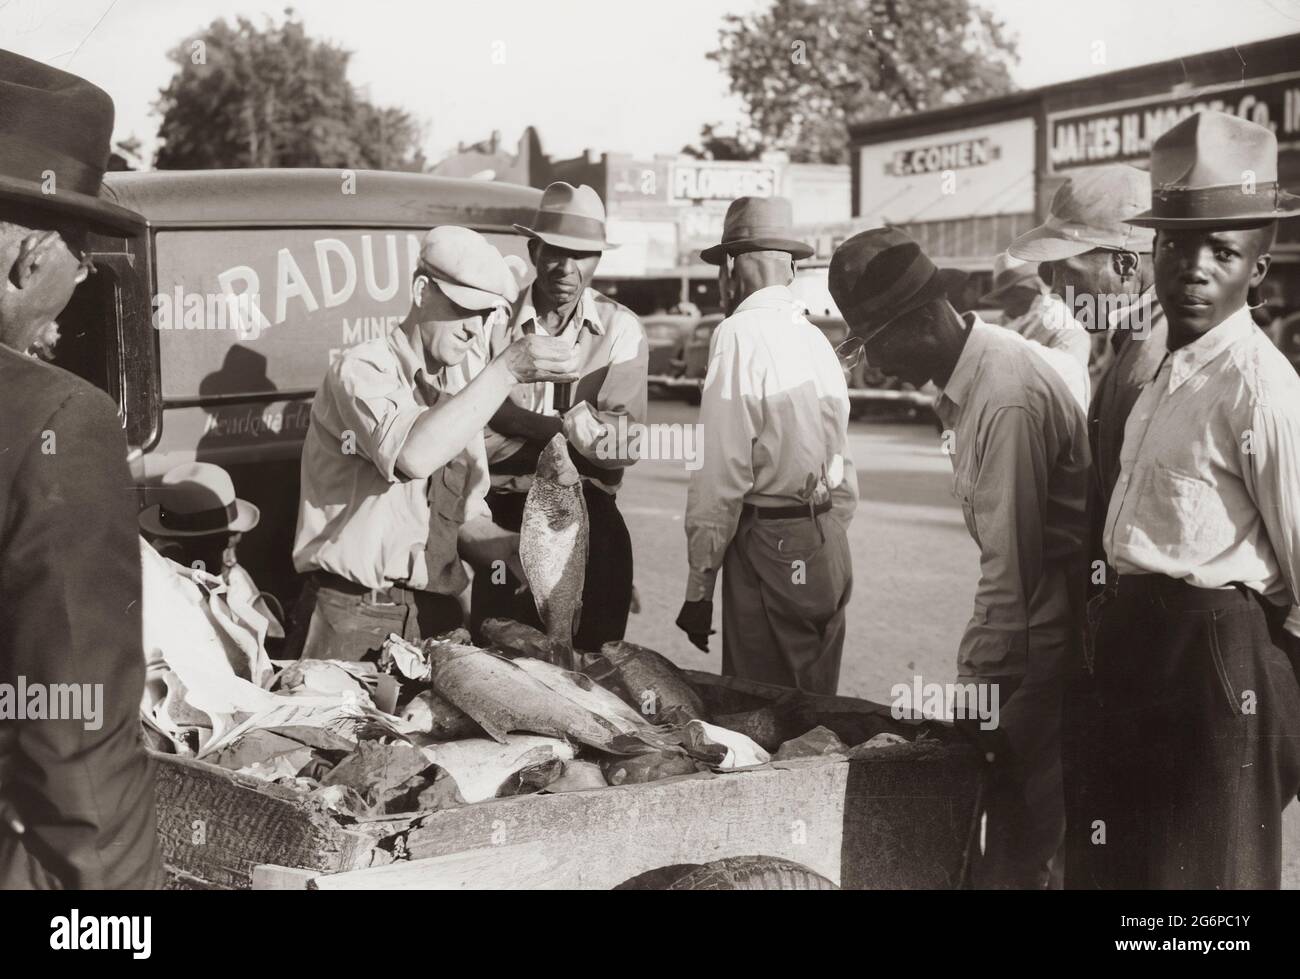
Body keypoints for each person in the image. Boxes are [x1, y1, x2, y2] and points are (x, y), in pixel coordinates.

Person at [1071, 111, 1300, 889]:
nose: (1194, 268)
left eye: (1223, 252)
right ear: (1154, 252)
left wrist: (1266, 700)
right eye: (1176, 244)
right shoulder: (1164, 370)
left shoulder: (1260, 387)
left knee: (1207, 892)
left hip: (1216, 660)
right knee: (1131, 878)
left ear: (1258, 269)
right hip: (1139, 651)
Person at [830, 227, 1089, 888]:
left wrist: (980, 690)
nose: (875, 366)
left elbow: (1013, 571)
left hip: (1049, 650)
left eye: (876, 343)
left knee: (1022, 853)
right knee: (1011, 838)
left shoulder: (1004, 394)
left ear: (919, 320)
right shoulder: (976, 381)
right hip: (1034, 638)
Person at [0, 51, 161, 889]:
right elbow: (80, 753)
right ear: (32, 255)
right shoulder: (55, 419)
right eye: (82, 254)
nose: (85, 275)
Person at [287, 225, 580, 661]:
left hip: (435, 619)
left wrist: (538, 555)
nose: (475, 331)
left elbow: (464, 522)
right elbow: (412, 455)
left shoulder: (457, 399)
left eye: (486, 317)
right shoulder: (363, 368)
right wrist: (505, 371)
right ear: (422, 290)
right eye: (466, 310)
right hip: (352, 615)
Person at [679, 196, 857, 694]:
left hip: (770, 546)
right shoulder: (817, 339)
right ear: (794, 266)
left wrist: (699, 589)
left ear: (730, 265)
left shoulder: (737, 334)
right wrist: (820, 531)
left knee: (760, 713)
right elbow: (845, 464)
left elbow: (720, 477)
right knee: (818, 708)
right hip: (826, 543)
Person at [468, 182, 648, 650]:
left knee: (594, 670)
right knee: (501, 667)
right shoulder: (491, 319)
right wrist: (574, 431)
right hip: (501, 523)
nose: (567, 268)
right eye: (556, 252)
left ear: (598, 260)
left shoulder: (621, 328)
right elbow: (470, 437)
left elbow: (620, 450)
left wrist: (511, 420)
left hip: (592, 521)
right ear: (533, 250)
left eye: (582, 255)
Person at [140, 462, 284, 641]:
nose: (232, 559)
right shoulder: (157, 587)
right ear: (178, 547)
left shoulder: (233, 573)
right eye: (224, 546)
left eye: (234, 546)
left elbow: (274, 634)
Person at [980, 251, 1091, 409]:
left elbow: (1065, 381)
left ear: (1033, 288)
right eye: (1004, 295)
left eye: (1014, 292)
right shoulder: (1001, 325)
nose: (1008, 300)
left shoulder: (1061, 321)